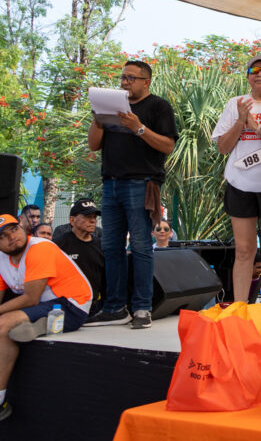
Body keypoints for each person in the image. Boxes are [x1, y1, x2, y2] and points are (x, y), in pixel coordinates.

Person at [85, 59, 178, 330]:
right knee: (111, 247)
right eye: (123, 78)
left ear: (146, 81)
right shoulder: (111, 106)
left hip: (141, 182)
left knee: (139, 246)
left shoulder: (158, 106)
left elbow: (168, 145)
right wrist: (98, 120)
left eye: (130, 78)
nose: (124, 83)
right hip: (111, 182)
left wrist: (138, 127)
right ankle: (114, 307)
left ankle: (141, 307)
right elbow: (93, 145)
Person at [212, 55, 261, 327]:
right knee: (244, 251)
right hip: (240, 183)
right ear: (247, 76)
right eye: (254, 70)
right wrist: (241, 121)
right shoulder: (235, 103)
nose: (260, 74)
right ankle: (240, 311)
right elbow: (222, 147)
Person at [0, 214, 92, 422]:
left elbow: (31, 298)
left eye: (14, 229)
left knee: (3, 325)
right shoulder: (1, 259)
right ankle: (42, 325)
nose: (11, 237)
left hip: (71, 305)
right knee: (7, 323)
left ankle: (0, 403)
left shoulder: (40, 248)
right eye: (3, 236)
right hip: (45, 305)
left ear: (23, 228)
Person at [56, 198, 105, 315]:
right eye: (88, 217)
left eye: (94, 217)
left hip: (94, 308)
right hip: (64, 306)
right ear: (72, 220)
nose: (93, 221)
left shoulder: (101, 246)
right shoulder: (59, 245)